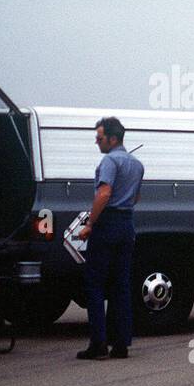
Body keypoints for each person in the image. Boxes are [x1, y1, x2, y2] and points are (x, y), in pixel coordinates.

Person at [76, 117, 144, 360]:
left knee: (95, 285)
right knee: (121, 285)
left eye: (100, 137)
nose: (97, 141)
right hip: (126, 224)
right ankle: (121, 344)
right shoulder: (137, 164)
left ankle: (98, 343)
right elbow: (136, 198)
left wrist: (90, 224)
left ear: (113, 139)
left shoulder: (109, 161)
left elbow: (104, 193)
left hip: (107, 225)